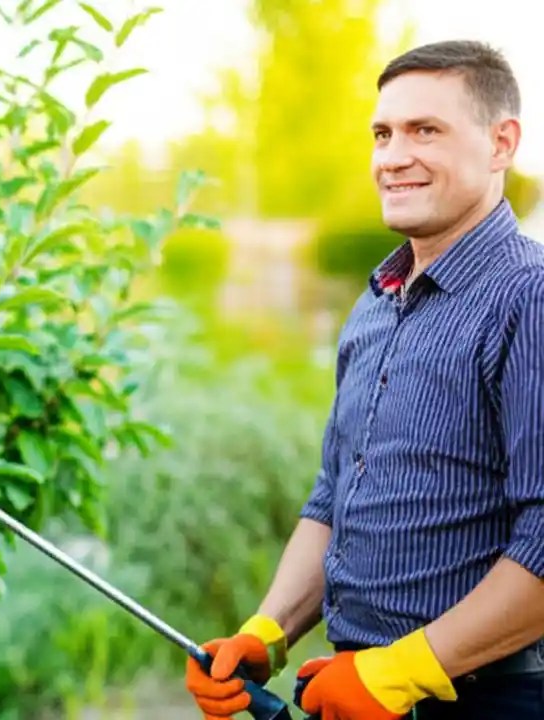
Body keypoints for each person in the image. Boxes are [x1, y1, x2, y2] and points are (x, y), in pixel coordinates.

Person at [183, 39, 544, 719]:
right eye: (383, 133)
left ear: (501, 144)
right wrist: (267, 632)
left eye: (425, 131)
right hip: (361, 694)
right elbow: (334, 499)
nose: (393, 156)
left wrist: (403, 672)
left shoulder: (530, 297)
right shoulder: (377, 302)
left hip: (488, 701)